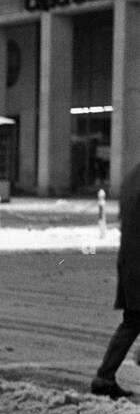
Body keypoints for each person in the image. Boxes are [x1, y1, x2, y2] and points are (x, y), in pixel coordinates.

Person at [90, 160, 140, 399]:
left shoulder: (132, 176)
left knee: (132, 320)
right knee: (133, 320)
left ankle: (105, 376)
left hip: (130, 260)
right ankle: (104, 376)